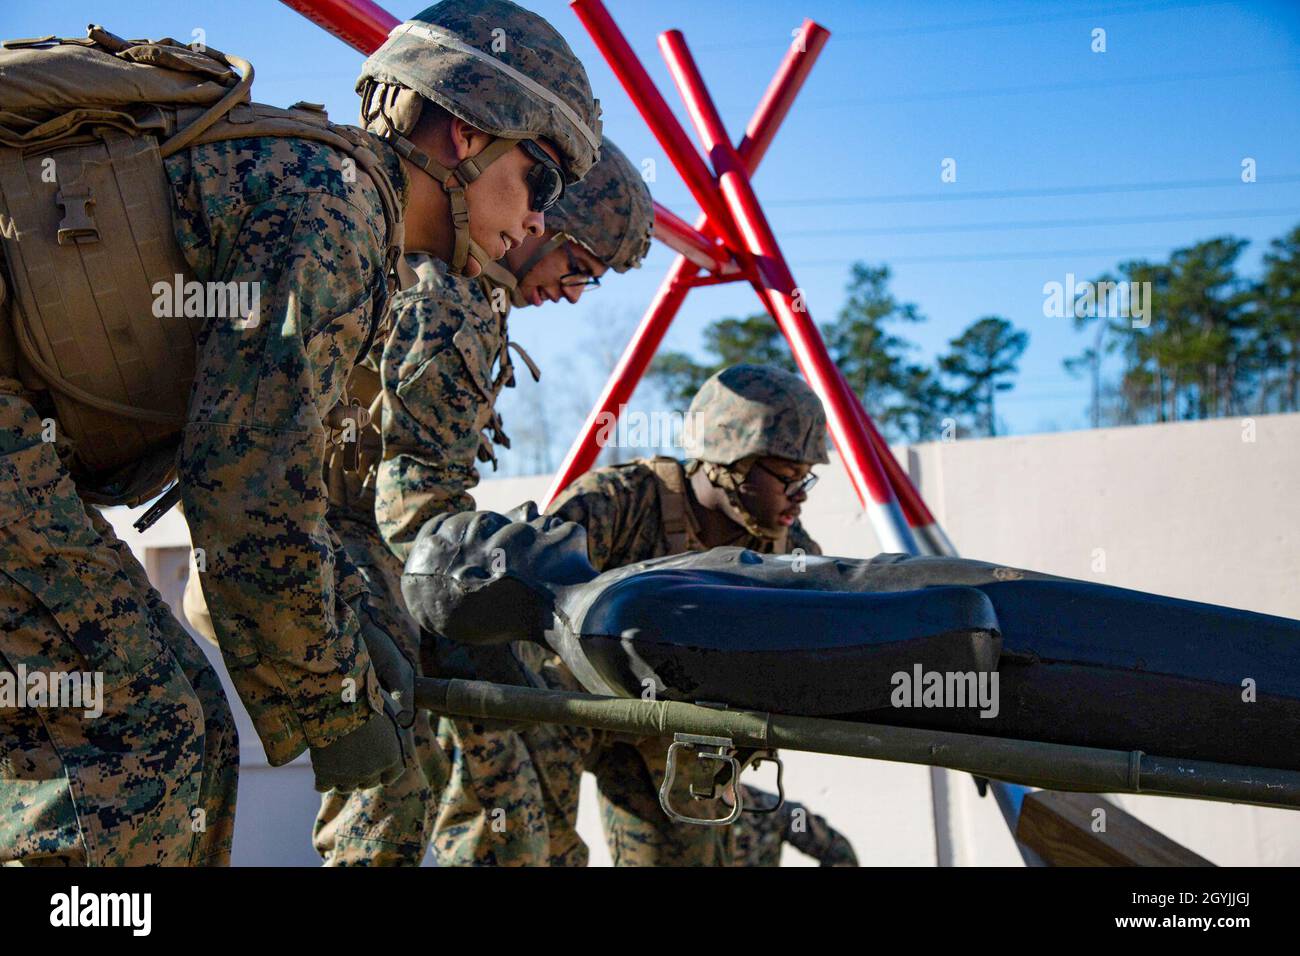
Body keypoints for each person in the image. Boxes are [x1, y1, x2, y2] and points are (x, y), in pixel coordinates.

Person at [0, 0, 599, 865]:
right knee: (138, 737)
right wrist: (333, 706)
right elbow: (247, 498)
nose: (541, 221)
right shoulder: (336, 206)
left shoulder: (348, 212)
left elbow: (279, 489)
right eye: (541, 182)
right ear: (467, 136)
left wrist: (344, 631)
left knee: (179, 725)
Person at [311, 136, 652, 866]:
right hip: (343, 550)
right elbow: (413, 510)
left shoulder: (454, 293)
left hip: (381, 558)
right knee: (392, 784)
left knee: (512, 800)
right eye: (578, 268)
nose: (571, 291)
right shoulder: (453, 304)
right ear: (542, 226)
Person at [545, 363, 855, 866]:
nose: (799, 498)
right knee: (526, 840)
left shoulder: (788, 553)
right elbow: (521, 600)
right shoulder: (618, 503)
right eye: (787, 477)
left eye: (807, 480)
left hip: (674, 736)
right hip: (566, 712)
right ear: (728, 459)